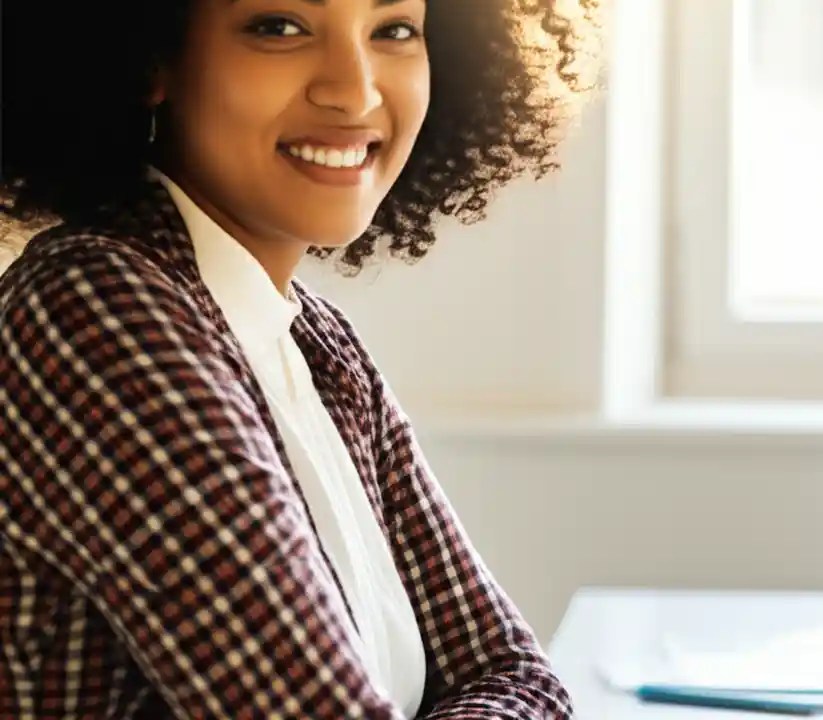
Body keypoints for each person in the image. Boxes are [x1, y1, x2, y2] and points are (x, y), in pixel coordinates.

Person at [0, 1, 598, 717]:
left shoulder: (315, 341)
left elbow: (512, 671)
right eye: (280, 27)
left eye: (394, 30)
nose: (356, 89)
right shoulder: (94, 316)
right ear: (152, 59)